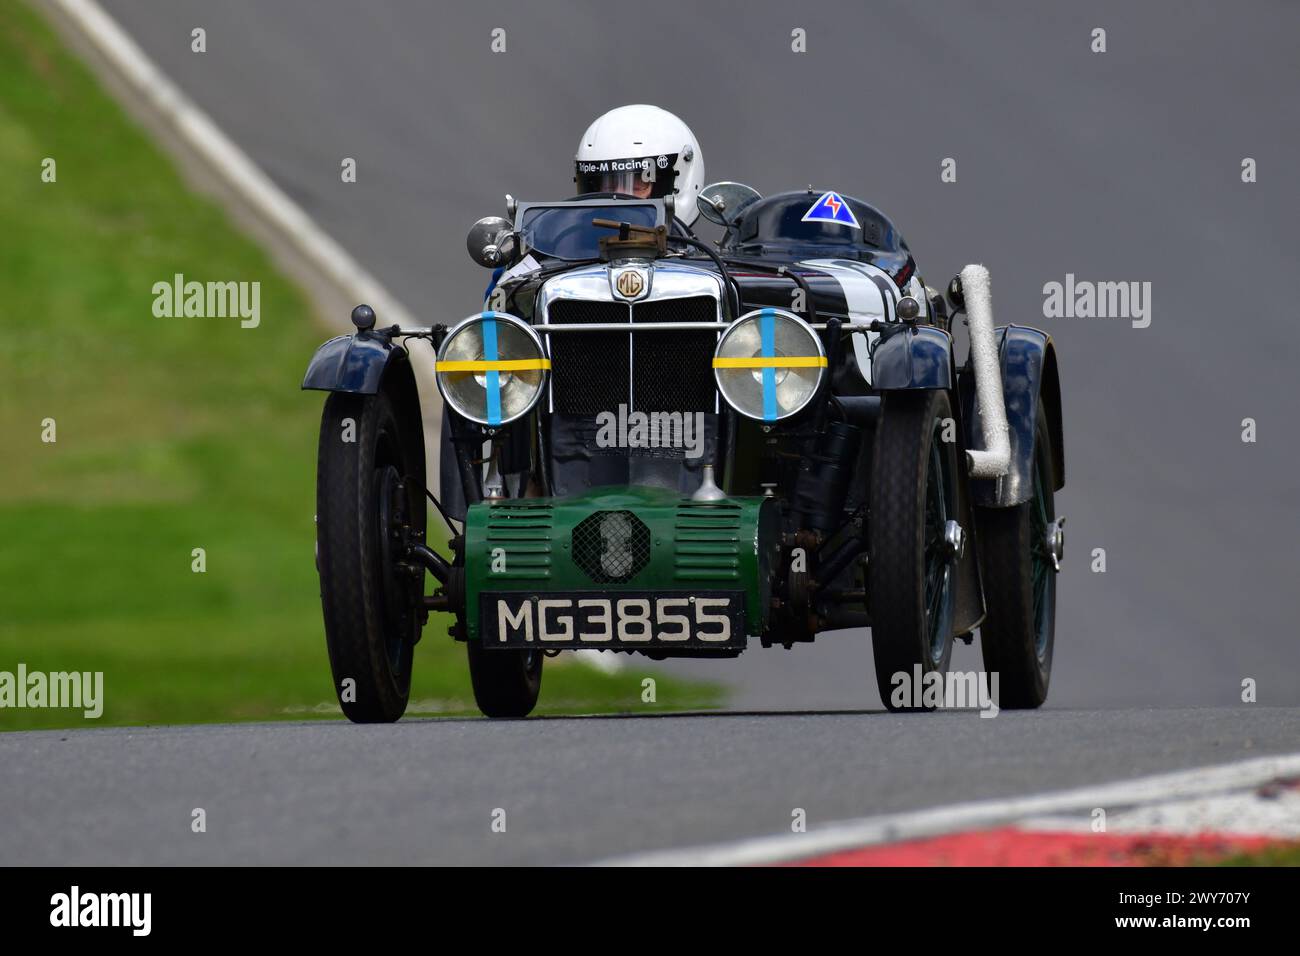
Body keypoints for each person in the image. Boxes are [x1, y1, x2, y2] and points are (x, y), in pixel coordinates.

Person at [573, 104, 705, 225]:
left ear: (677, 185)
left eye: (636, 186)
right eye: (609, 186)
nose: (618, 200)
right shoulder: (566, 248)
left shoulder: (699, 252)